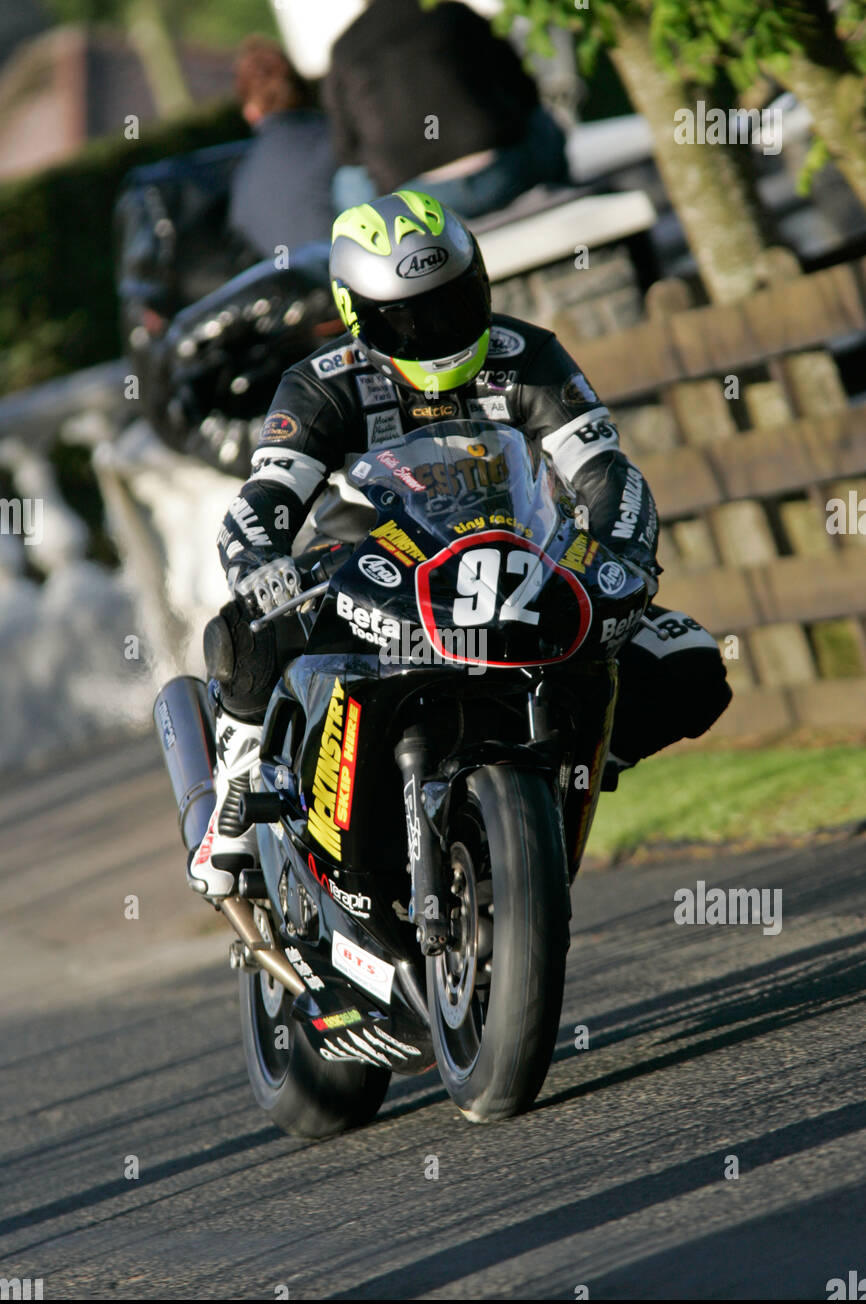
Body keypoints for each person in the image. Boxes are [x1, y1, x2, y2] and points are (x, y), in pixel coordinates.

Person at [188, 189, 732, 899]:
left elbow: (605, 472)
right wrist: (262, 567)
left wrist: (622, 555)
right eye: (405, 319)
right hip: (368, 573)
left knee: (692, 663)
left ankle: (570, 761)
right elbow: (267, 495)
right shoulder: (320, 384)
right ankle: (237, 794)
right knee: (245, 633)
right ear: (358, 315)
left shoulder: (530, 356)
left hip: (522, 564)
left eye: (452, 302)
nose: (436, 330)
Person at [323, 0, 568, 218]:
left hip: (413, 203)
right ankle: (564, 206)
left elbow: (346, 151)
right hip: (505, 174)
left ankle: (387, 248)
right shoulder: (455, 13)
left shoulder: (345, 48)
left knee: (347, 181)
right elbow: (526, 92)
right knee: (542, 120)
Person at [228, 35, 336, 260]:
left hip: (298, 280)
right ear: (304, 89)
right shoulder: (336, 137)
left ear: (250, 112)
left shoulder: (242, 181)